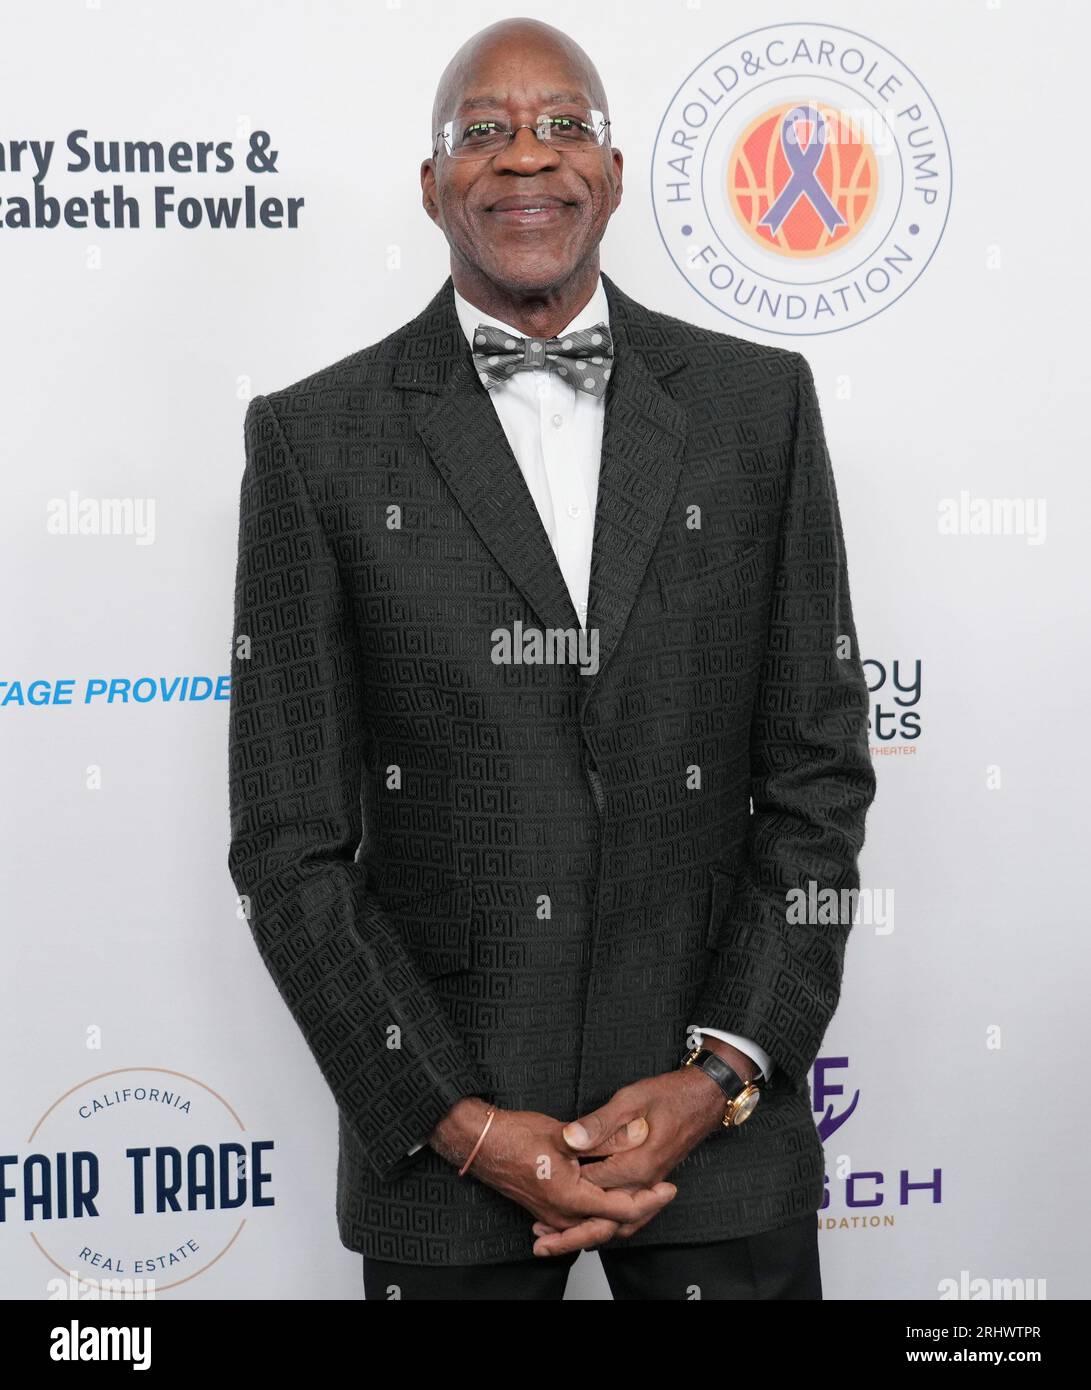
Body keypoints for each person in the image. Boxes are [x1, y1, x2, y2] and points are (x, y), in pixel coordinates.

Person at [226, 16, 877, 1301]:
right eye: (483, 131)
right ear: (431, 185)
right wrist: (458, 1120)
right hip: (446, 1158)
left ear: (615, 174)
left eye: (563, 123)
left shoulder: (759, 409)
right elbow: (286, 844)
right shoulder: (314, 440)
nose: (526, 156)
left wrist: (719, 1074)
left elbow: (816, 775)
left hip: (718, 1151)